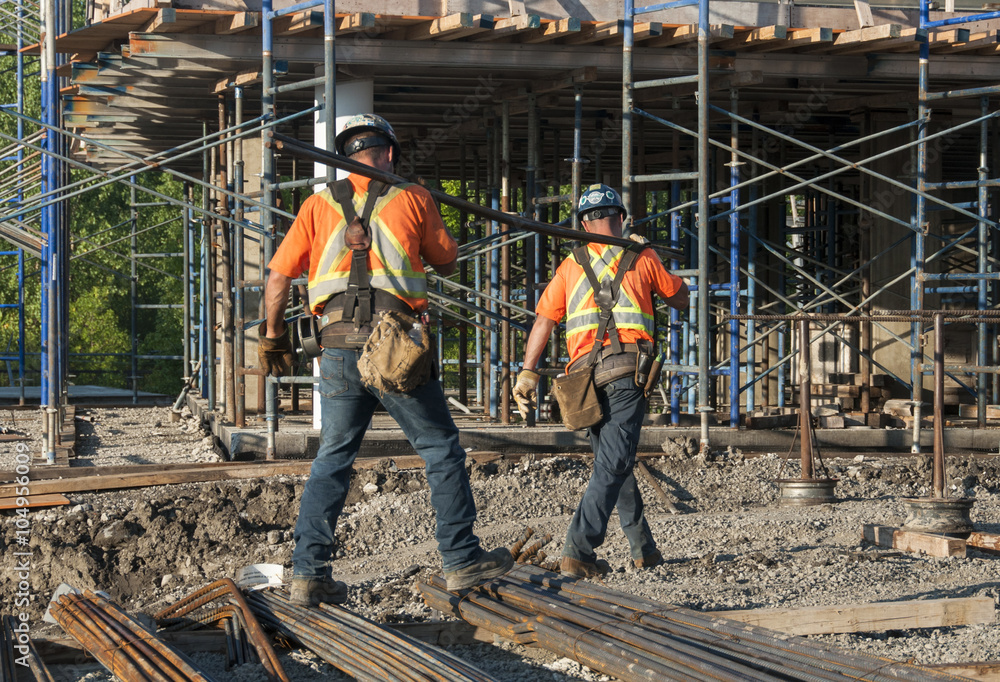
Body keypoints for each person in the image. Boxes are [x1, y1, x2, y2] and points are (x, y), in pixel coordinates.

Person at [259, 113, 513, 606]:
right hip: (395, 342)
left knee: (333, 457)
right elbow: (445, 259)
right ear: (390, 153)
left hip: (335, 345)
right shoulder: (412, 197)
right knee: (439, 448)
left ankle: (309, 574)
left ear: (344, 157)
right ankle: (461, 560)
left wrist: (272, 336)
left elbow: (276, 280)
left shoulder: (317, 205)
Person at [512, 184, 689, 579]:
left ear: (582, 223)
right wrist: (651, 254)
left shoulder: (571, 264)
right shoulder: (640, 255)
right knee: (613, 462)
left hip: (582, 381)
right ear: (622, 218)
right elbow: (681, 299)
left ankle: (643, 549)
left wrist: (527, 370)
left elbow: (544, 320)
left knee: (615, 461)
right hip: (626, 372)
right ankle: (579, 549)